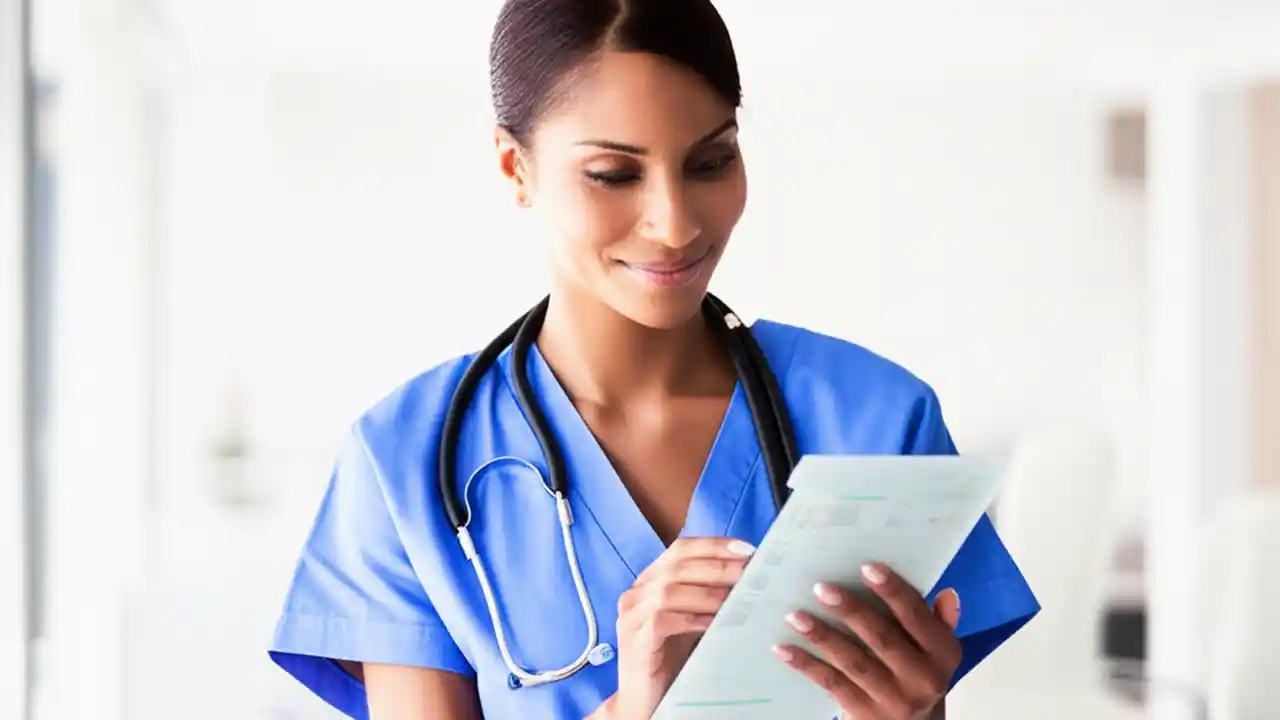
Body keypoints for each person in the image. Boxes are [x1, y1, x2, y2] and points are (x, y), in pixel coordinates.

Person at [267, 1, 1039, 718]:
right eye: (613, 174)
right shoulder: (407, 458)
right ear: (516, 169)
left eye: (709, 163)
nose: (673, 224)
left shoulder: (877, 418)